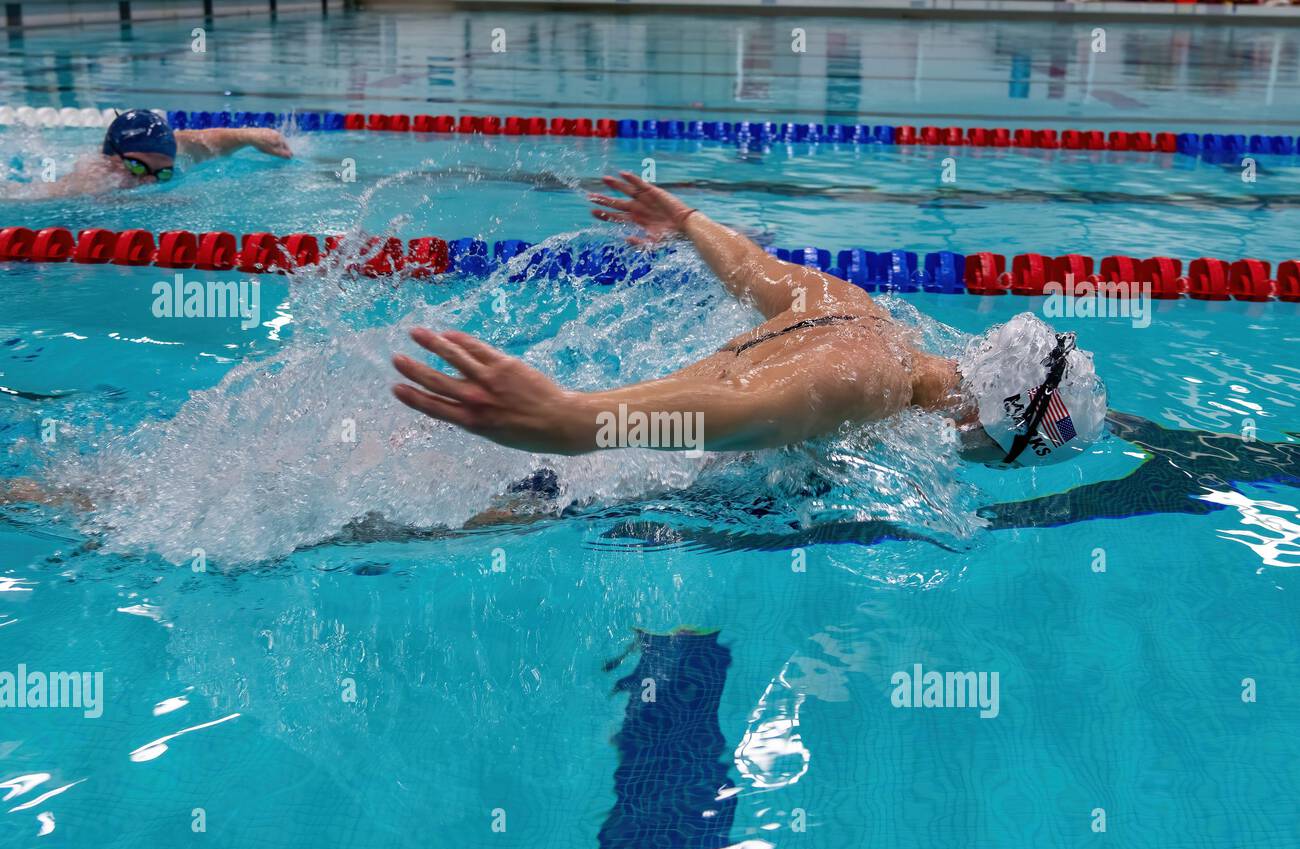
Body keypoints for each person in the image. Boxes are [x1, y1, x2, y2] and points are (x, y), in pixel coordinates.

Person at [392, 172, 1107, 466]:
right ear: (983, 427)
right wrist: (573, 421)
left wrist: (688, 220)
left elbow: (754, 273)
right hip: (556, 476)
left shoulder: (862, 317)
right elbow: (749, 406)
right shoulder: (867, 380)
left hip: (552, 448)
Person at [41, 108, 292, 196]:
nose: (149, 180)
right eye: (138, 167)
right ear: (112, 155)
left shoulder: (169, 152)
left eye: (163, 174)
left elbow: (202, 142)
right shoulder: (92, 180)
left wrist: (248, 136)